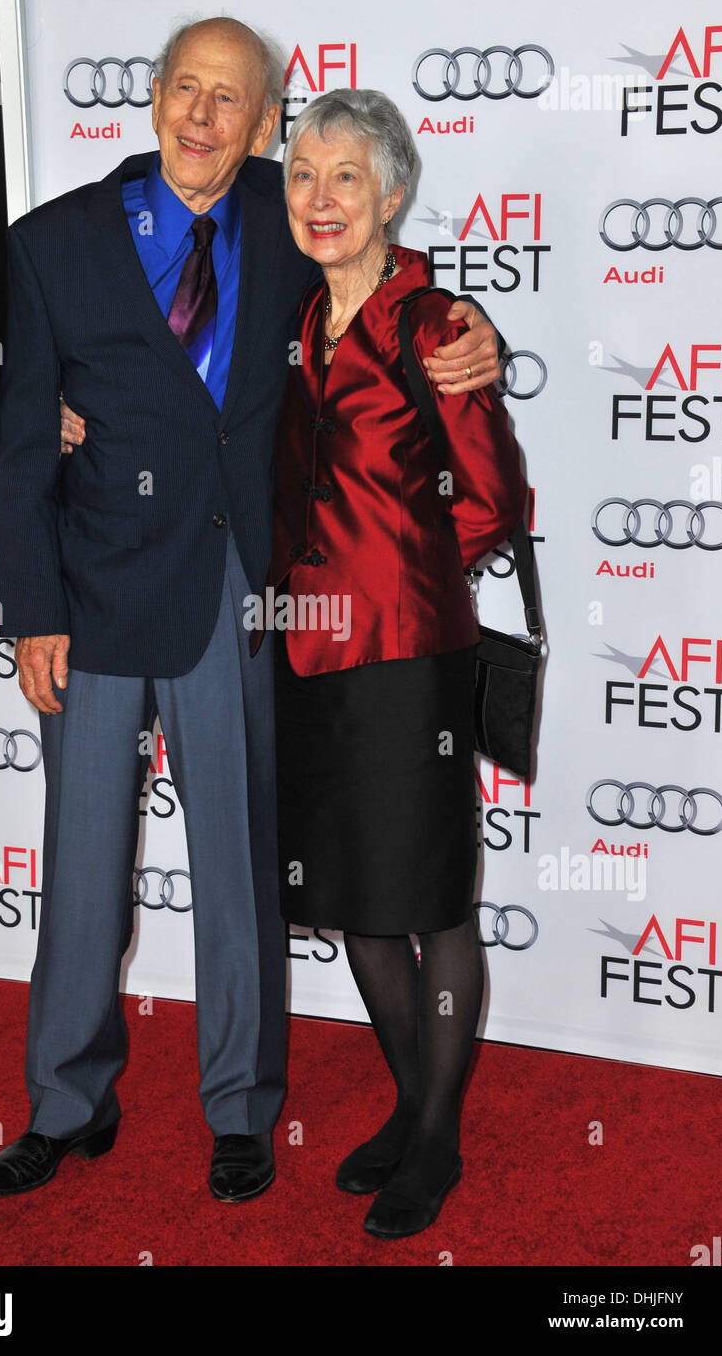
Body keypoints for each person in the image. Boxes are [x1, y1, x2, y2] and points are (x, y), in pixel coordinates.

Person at [0, 17, 500, 1204]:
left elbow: (386, 273)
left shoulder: (286, 210)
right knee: (82, 870)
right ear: (153, 95)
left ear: (265, 120)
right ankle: (66, 1104)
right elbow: (19, 448)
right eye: (186, 91)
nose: (203, 119)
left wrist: (475, 332)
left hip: (240, 596)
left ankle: (241, 1109)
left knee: (238, 866)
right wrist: (31, 614)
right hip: (94, 599)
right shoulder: (52, 244)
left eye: (233, 101)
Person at [264, 89, 528, 1239]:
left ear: (392, 195)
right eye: (301, 175)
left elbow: (494, 501)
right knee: (353, 903)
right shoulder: (282, 318)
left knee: (429, 904)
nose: (319, 200)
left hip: (407, 658)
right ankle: (412, 1099)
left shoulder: (433, 326)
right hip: (300, 647)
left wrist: (404, 574)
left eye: (344, 178)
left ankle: (436, 1140)